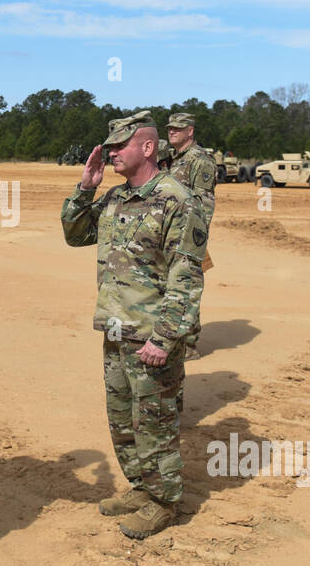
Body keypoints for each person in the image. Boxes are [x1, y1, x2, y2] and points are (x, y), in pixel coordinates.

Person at [60, 111, 207, 540]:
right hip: (117, 330)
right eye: (108, 146)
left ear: (147, 148)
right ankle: (142, 488)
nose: (110, 153)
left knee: (154, 420)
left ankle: (165, 501)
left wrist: (165, 337)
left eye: (118, 146)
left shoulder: (176, 200)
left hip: (152, 335)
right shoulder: (116, 198)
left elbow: (187, 275)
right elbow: (75, 234)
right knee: (123, 419)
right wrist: (86, 187)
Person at [164, 112, 216, 360]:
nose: (172, 131)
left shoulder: (199, 160)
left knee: (187, 287)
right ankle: (174, 338)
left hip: (187, 236)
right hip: (168, 234)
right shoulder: (173, 159)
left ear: (190, 131)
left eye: (178, 128)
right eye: (170, 128)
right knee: (171, 288)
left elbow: (205, 204)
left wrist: (193, 240)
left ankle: (188, 345)